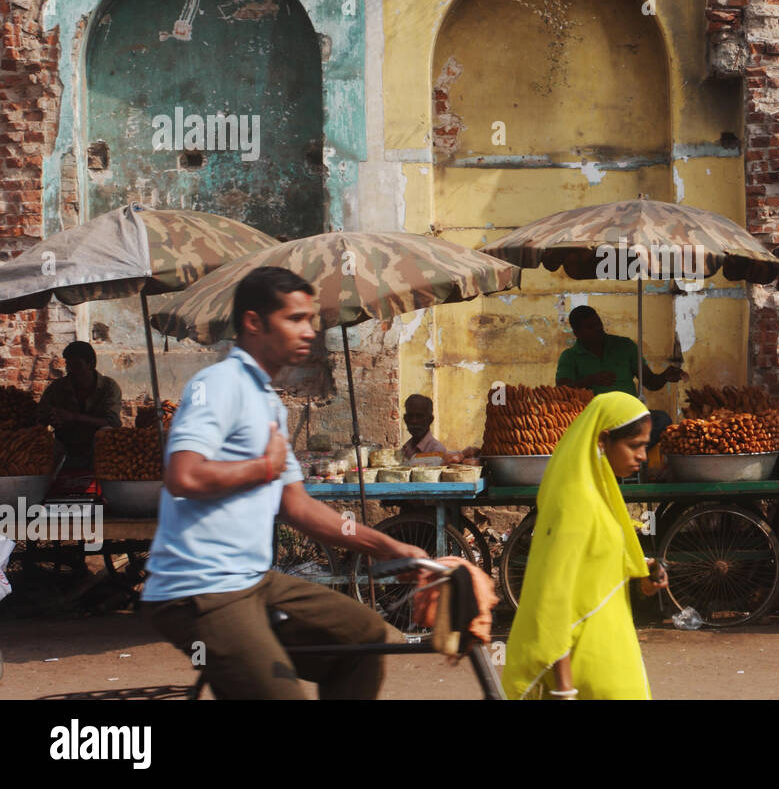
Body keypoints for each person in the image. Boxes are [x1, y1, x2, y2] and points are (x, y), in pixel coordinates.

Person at [141, 267, 427, 699]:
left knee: (366, 635)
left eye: (310, 319)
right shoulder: (218, 385)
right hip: (200, 589)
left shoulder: (268, 402)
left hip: (254, 579)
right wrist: (260, 469)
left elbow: (296, 507)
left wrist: (388, 547)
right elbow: (183, 476)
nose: (309, 331)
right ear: (255, 323)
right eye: (295, 319)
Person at [502, 391, 669, 699]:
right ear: (604, 439)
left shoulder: (599, 490)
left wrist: (641, 572)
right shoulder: (576, 500)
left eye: (645, 446)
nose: (643, 456)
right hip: (586, 671)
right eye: (635, 446)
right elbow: (553, 598)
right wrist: (564, 688)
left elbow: (592, 564)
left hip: (609, 656)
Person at [555, 305, 686, 445]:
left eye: (598, 323)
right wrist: (591, 380)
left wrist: (665, 376)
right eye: (590, 327)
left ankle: (629, 455)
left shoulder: (625, 346)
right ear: (577, 333)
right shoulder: (569, 356)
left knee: (662, 419)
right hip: (593, 418)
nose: (598, 328)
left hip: (629, 415)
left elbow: (650, 382)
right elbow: (562, 390)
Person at [35, 340, 122, 472]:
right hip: (65, 444)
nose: (71, 370)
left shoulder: (108, 387)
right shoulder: (57, 388)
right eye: (68, 365)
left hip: (96, 445)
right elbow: (40, 418)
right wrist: (53, 417)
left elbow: (113, 422)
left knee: (107, 433)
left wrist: (74, 417)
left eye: (76, 365)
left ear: (91, 364)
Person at [400, 393, 479, 463]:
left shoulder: (437, 452)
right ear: (405, 419)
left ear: (430, 420)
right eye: (410, 416)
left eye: (419, 416)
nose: (414, 421)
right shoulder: (406, 448)